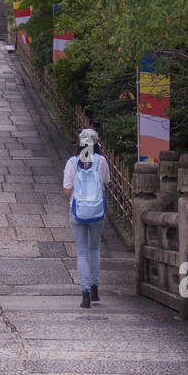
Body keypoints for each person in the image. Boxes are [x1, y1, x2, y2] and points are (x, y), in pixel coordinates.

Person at [63, 127, 110, 309]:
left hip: (77, 211)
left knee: (82, 252)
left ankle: (85, 296)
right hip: (97, 211)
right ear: (97, 143)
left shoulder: (72, 162)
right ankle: (95, 288)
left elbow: (66, 189)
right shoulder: (101, 161)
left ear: (80, 142)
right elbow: (106, 182)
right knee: (94, 249)